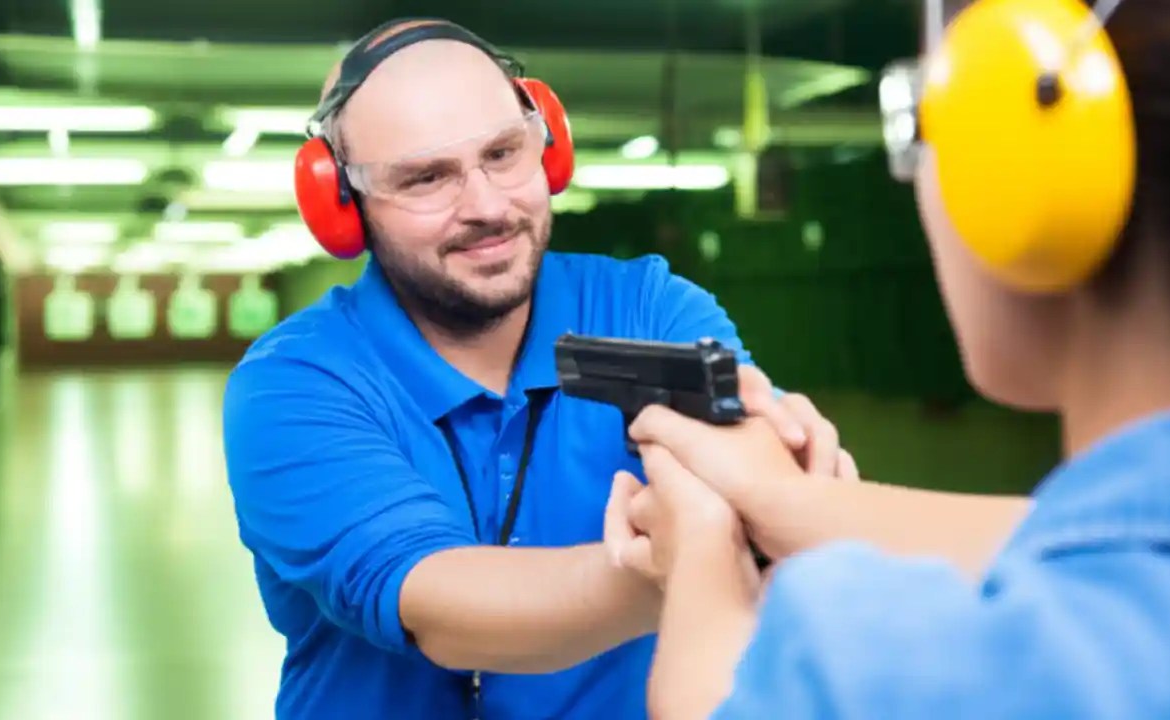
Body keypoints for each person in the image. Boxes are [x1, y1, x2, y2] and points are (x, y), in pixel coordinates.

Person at [221, 17, 857, 720]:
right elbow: (437, 604)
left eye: (503, 153)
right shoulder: (294, 381)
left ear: (547, 147)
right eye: (426, 178)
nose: (487, 205)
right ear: (342, 204)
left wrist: (778, 498)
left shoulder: (647, 305)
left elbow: (757, 474)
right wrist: (708, 564)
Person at [608, 0, 1170, 717]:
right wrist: (795, 503)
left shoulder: (880, 674)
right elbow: (1111, 540)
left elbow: (714, 699)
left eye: (926, 124)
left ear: (1018, 164)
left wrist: (703, 548)